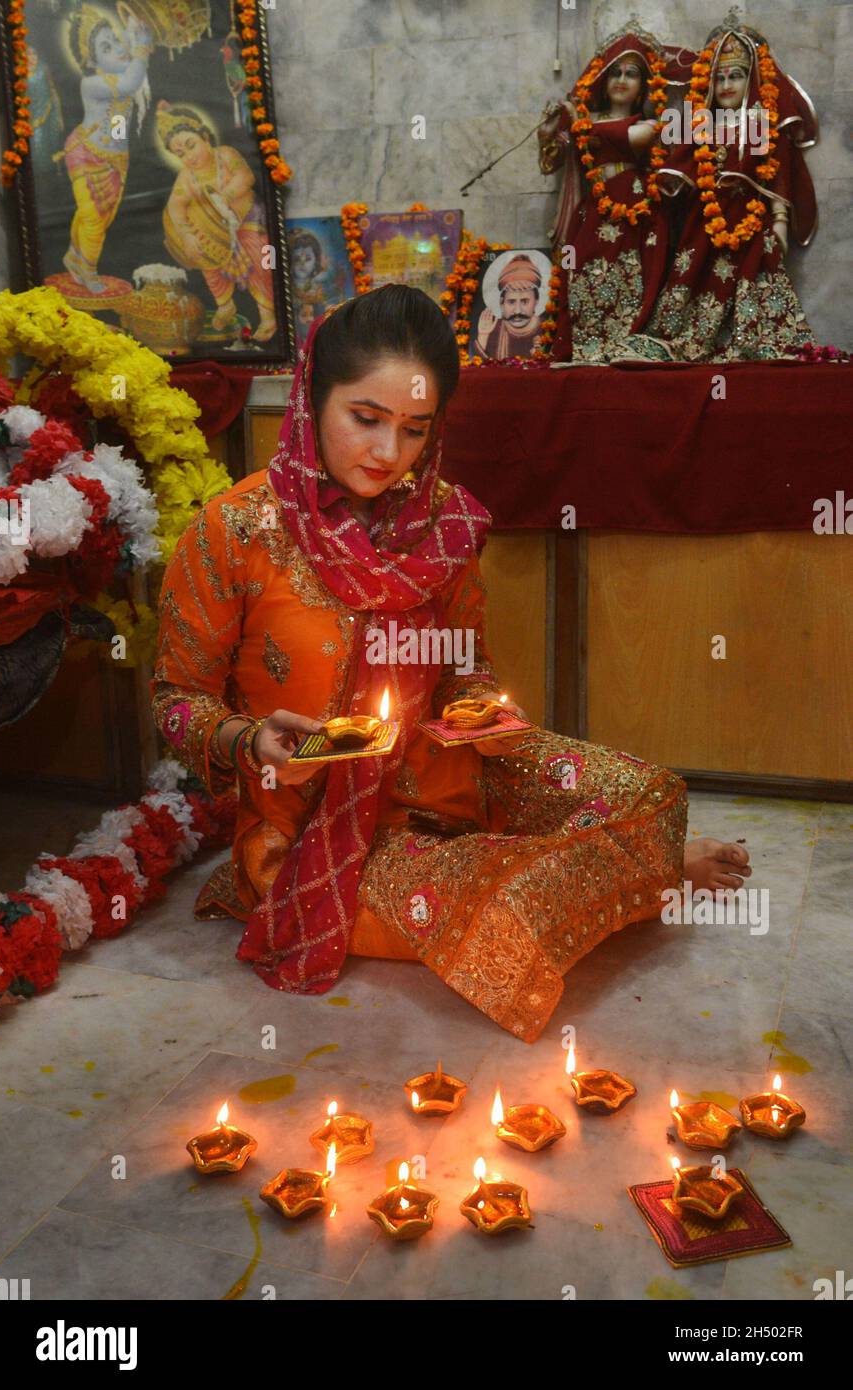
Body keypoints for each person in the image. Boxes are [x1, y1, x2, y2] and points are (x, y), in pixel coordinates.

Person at [151, 284, 750, 1042]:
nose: (385, 453)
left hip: (444, 771)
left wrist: (481, 711)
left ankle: (619, 863)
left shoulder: (445, 523)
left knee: (650, 796)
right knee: (494, 910)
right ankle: (634, 875)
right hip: (308, 833)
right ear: (310, 400)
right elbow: (176, 701)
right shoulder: (232, 532)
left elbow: (464, 666)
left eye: (412, 430)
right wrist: (251, 745)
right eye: (364, 419)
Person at [647, 22, 817, 360]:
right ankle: (688, 338)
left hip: (751, 219)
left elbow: (778, 175)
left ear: (751, 81)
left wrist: (780, 221)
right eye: (719, 78)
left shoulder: (762, 124)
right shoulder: (700, 124)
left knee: (756, 279)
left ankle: (752, 340)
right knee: (693, 275)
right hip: (705, 222)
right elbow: (680, 166)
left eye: (735, 76)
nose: (726, 86)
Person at [537, 26, 672, 362]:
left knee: (633, 275)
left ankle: (626, 345)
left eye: (632, 74)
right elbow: (549, 162)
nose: (622, 80)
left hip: (636, 208)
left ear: (644, 85)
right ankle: (585, 347)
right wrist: (549, 132)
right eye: (615, 72)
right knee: (581, 270)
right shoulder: (585, 123)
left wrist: (576, 122)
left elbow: (631, 138)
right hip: (594, 210)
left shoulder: (651, 125)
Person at [157, 101, 277, 343]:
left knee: (261, 256)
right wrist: (187, 235)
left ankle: (268, 315)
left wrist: (225, 196)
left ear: (205, 137)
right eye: (180, 154)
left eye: (191, 146)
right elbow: (175, 206)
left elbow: (247, 176)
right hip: (218, 231)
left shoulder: (225, 155)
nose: (189, 156)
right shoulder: (186, 177)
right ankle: (225, 305)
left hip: (249, 219)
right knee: (205, 258)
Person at [61, 6, 152, 293]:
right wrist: (141, 50)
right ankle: (88, 271)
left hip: (114, 156)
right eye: (105, 47)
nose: (116, 48)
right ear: (92, 61)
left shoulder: (117, 70)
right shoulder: (92, 84)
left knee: (101, 216)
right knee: (92, 219)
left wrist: (132, 30)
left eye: (114, 40)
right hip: (86, 153)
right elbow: (130, 82)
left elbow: (124, 50)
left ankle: (74, 257)